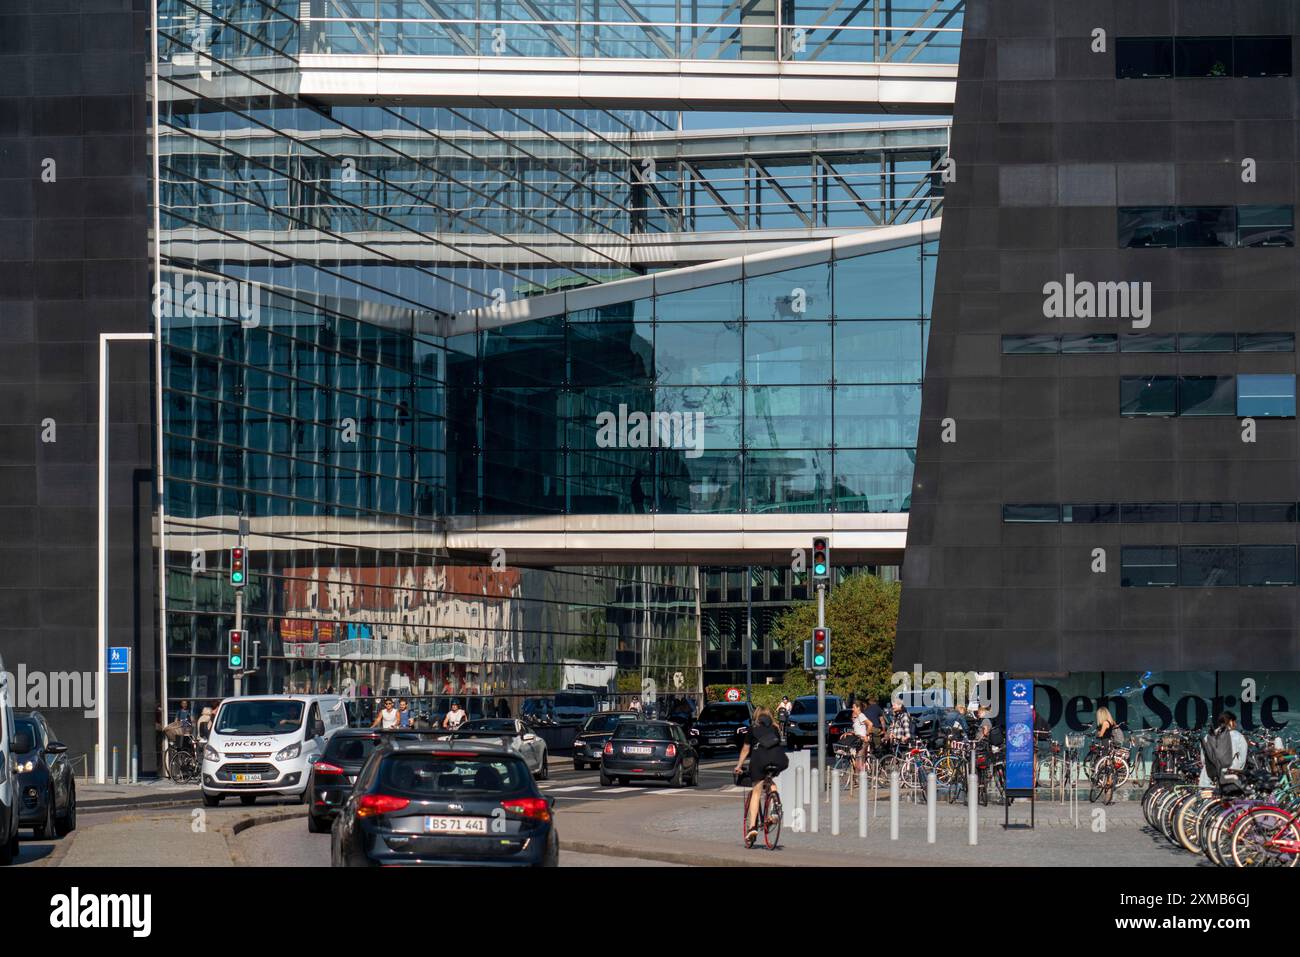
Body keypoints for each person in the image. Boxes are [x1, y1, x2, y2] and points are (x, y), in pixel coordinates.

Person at [734, 706, 787, 846]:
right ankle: (775, 805)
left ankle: (752, 828)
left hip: (759, 759)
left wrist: (739, 765)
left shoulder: (752, 729)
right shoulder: (775, 728)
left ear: (757, 716)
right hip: (778, 759)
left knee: (756, 791)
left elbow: (746, 749)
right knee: (770, 781)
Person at [1199, 710, 1248, 788]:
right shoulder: (1238, 737)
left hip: (1209, 774)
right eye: (1235, 722)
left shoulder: (1208, 736)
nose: (1235, 725)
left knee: (1207, 798)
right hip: (1229, 774)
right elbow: (1242, 759)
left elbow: (1203, 759)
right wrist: (1237, 769)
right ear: (1231, 721)